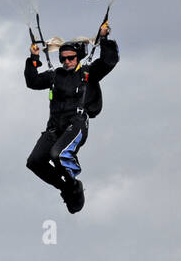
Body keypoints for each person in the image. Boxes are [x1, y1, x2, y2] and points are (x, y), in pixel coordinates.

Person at [24, 22, 118, 213]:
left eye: (71, 58)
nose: (67, 62)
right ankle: (67, 188)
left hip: (76, 126)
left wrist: (104, 38)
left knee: (57, 154)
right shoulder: (54, 76)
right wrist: (34, 57)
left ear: (78, 57)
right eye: (64, 59)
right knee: (34, 162)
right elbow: (32, 81)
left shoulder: (88, 73)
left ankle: (73, 179)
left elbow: (109, 61)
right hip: (54, 129)